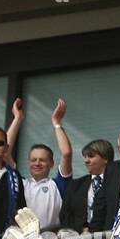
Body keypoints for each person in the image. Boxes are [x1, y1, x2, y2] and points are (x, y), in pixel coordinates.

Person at [13, 99, 74, 231]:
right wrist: (17, 119)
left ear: (51, 163)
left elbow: (67, 153)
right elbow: (5, 152)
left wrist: (56, 123)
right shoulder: (21, 184)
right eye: (33, 160)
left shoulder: (58, 185)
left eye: (42, 160)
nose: (37, 163)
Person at [59, 139, 114, 234]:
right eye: (85, 157)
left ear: (105, 158)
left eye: (91, 156)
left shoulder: (117, 181)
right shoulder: (75, 185)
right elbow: (65, 215)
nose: (86, 160)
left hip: (110, 237)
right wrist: (80, 230)